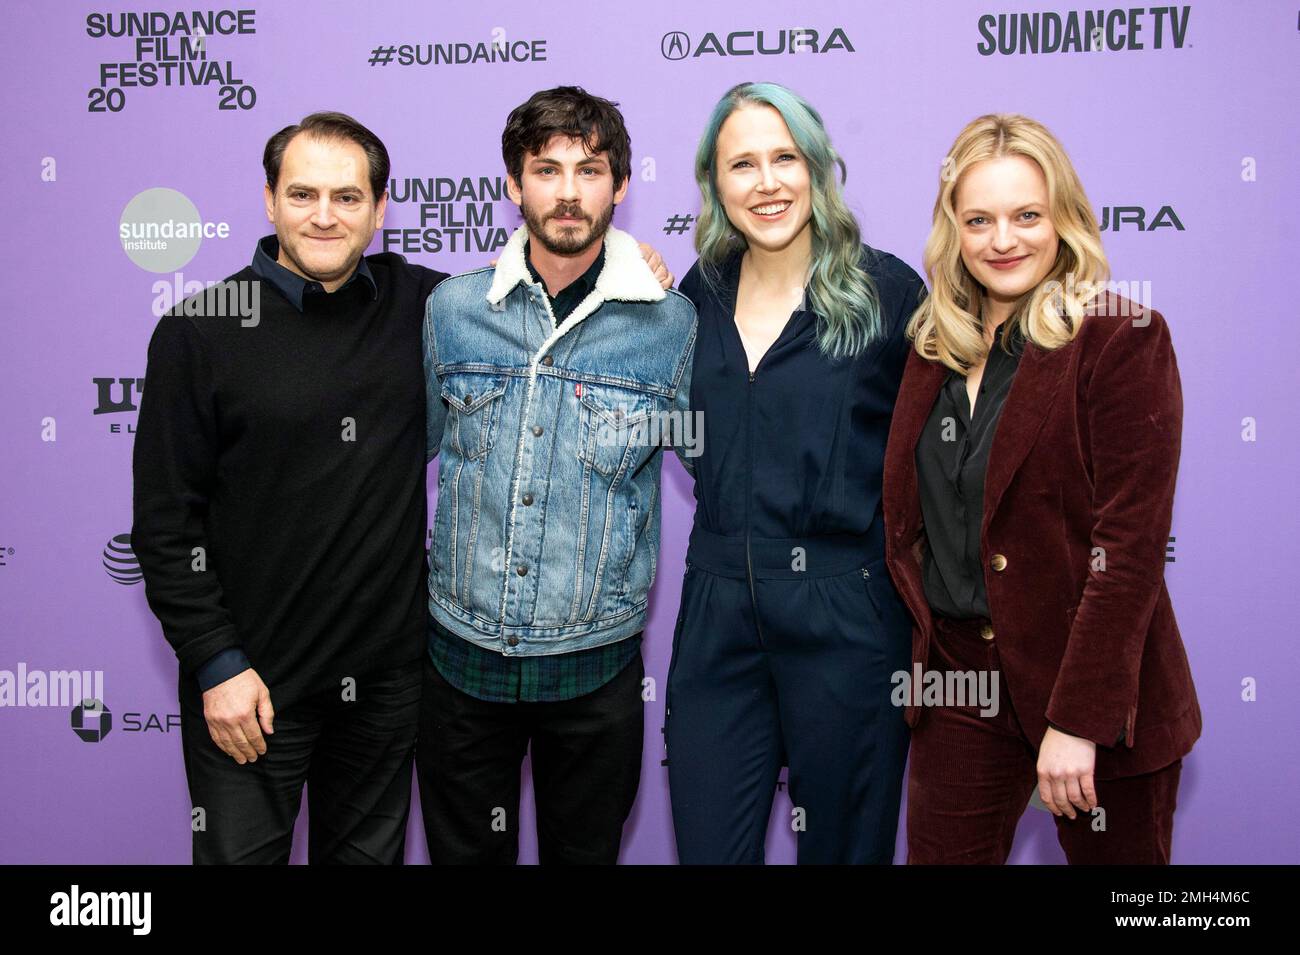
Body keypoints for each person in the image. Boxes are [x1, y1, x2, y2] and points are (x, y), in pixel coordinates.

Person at [133, 108, 677, 865]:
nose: (325, 216)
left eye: (348, 197)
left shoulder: (428, 306)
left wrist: (628, 268)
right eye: (303, 195)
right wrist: (218, 664)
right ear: (268, 200)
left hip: (386, 689)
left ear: (380, 210)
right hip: (254, 687)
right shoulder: (199, 331)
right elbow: (165, 529)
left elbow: (547, 281)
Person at [882, 113, 1201, 864]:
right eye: (979, 219)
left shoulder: (1121, 337)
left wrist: (1080, 720)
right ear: (953, 230)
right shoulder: (933, 347)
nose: (1004, 240)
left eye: (1028, 215)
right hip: (962, 683)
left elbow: (1127, 551)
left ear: (1064, 218)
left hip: (1094, 689)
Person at [416, 86, 697, 864]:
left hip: (596, 669)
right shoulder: (452, 310)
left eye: (591, 169)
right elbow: (401, 462)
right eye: (547, 169)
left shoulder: (670, 323)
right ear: (513, 184)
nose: (569, 192)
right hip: (460, 662)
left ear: (623, 185)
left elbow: (718, 462)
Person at [666, 82, 926, 864]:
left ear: (817, 169)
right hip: (715, 614)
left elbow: (942, 457)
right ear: (715, 184)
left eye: (785, 158)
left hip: (847, 614)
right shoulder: (696, 290)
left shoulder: (888, 291)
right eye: (742, 163)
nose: (767, 181)